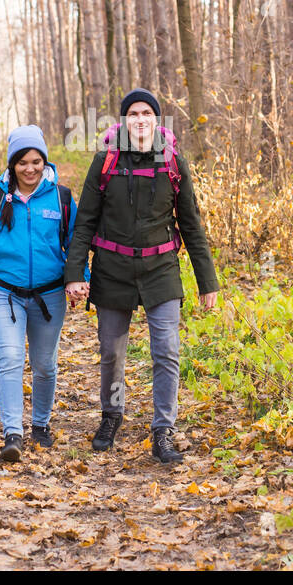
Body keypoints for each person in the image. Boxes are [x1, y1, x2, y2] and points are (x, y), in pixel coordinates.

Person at [63, 89, 219, 464]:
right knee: (111, 353)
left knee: (166, 352)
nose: (140, 119)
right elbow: (84, 222)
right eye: (133, 113)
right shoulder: (105, 162)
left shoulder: (173, 163)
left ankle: (163, 430)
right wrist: (74, 273)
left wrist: (206, 281)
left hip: (160, 269)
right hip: (112, 270)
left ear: (157, 120)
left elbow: (192, 225)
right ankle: (111, 416)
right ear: (124, 121)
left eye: (147, 113)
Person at [0, 126, 77, 462]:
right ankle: (13, 432)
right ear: (12, 164)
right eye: (22, 162)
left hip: (49, 295)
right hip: (3, 292)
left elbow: (76, 245)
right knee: (10, 359)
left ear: (45, 161)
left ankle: (40, 424)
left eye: (36, 161)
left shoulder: (61, 198)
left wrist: (77, 280)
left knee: (44, 365)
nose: (30, 169)